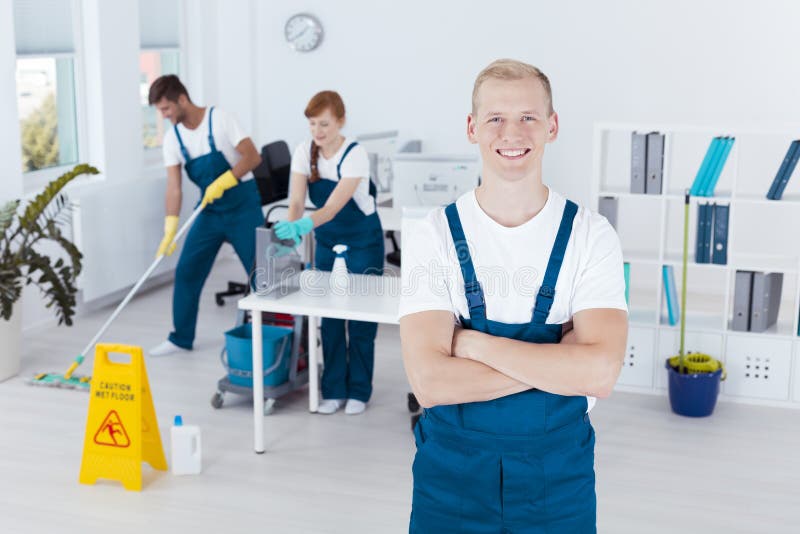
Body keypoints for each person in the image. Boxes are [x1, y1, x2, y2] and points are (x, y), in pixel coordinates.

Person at [399, 59, 629, 532]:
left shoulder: (591, 235)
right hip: (451, 479)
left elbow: (601, 373)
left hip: (557, 481)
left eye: (528, 117)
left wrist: (473, 344)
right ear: (471, 128)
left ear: (552, 126)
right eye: (495, 119)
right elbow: (431, 383)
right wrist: (557, 363)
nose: (512, 133)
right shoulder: (433, 235)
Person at [275, 90, 384, 415]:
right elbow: (296, 201)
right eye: (312, 124)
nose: (318, 131)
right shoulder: (302, 151)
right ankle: (333, 389)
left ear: (341, 121)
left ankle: (359, 391)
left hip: (363, 240)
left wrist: (302, 226)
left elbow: (335, 206)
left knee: (361, 318)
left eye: (324, 124)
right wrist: (290, 231)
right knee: (331, 317)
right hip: (325, 241)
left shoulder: (355, 154)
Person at [147, 75, 264, 356]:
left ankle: (274, 333)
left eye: (166, 109)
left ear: (182, 100)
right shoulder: (173, 138)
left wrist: (226, 180)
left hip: (243, 207)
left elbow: (252, 157)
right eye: (160, 111)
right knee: (188, 271)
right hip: (210, 211)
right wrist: (170, 228)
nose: (164, 116)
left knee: (262, 273)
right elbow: (174, 188)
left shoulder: (220, 119)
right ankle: (180, 338)